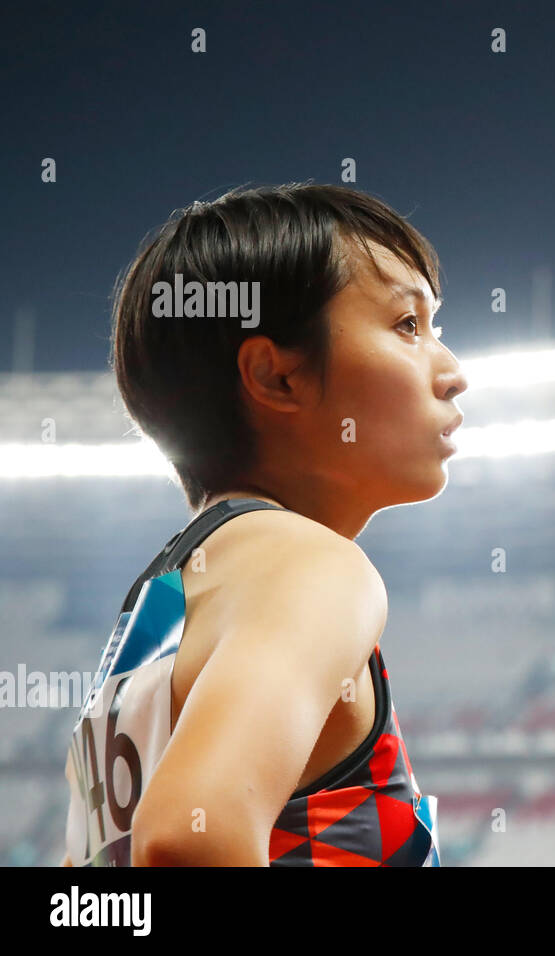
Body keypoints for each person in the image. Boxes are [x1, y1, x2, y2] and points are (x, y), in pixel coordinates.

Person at [61, 183, 467, 866]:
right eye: (407, 324)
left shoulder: (159, 609)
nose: (453, 372)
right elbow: (189, 838)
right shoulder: (311, 567)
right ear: (277, 378)